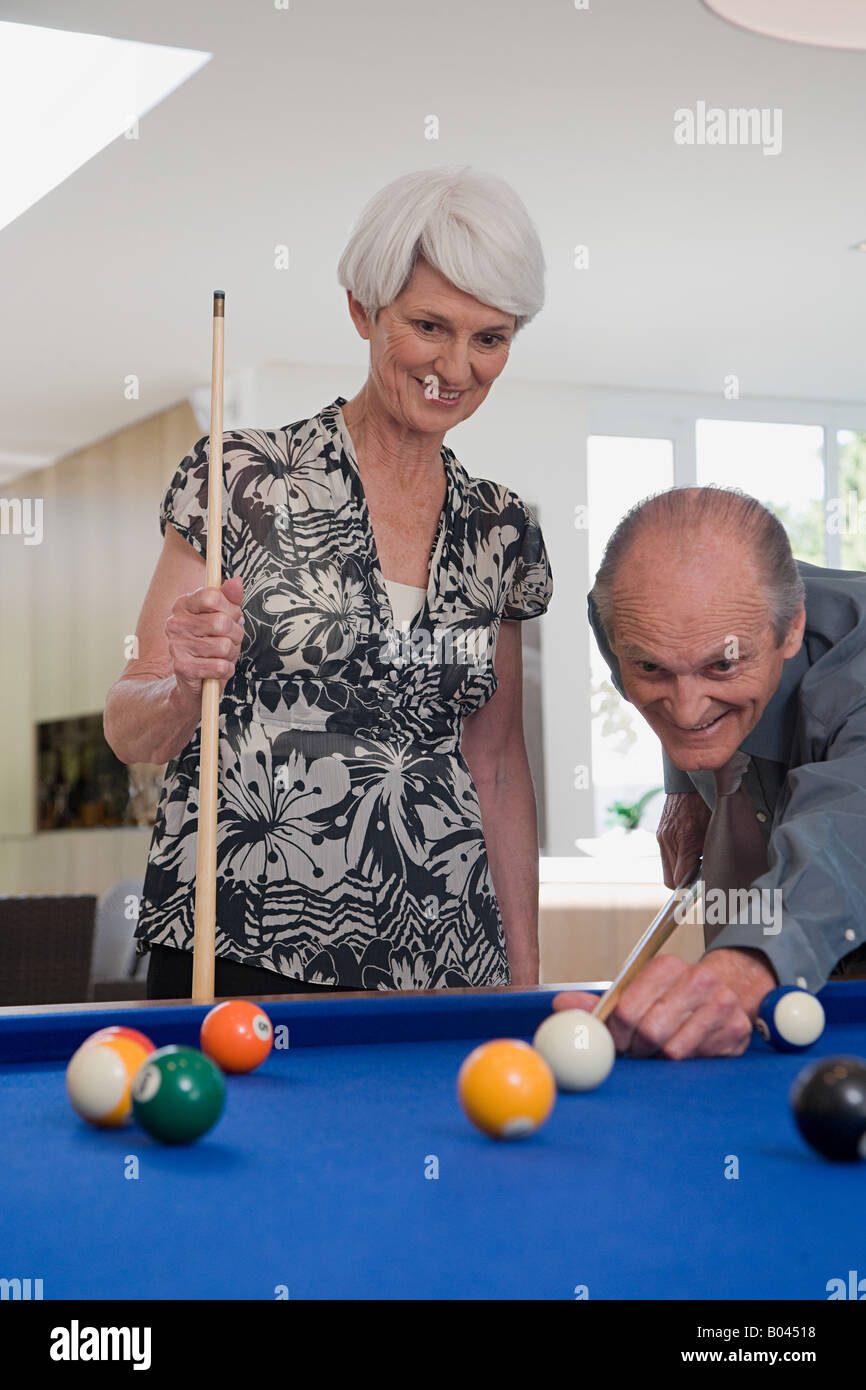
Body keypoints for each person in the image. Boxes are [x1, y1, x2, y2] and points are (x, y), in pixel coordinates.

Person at [104, 166, 552, 998]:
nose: (455, 367)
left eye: (490, 338)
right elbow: (129, 729)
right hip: (241, 953)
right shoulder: (238, 478)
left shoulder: (503, 530)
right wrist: (180, 686)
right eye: (429, 326)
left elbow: (495, 765)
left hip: (443, 963)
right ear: (362, 310)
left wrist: (524, 979)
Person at [555, 485, 866, 1058]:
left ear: (790, 629)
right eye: (651, 667)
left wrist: (745, 965)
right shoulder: (625, 617)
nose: (688, 708)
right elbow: (666, 647)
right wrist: (684, 784)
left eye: (721, 666)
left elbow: (849, 832)